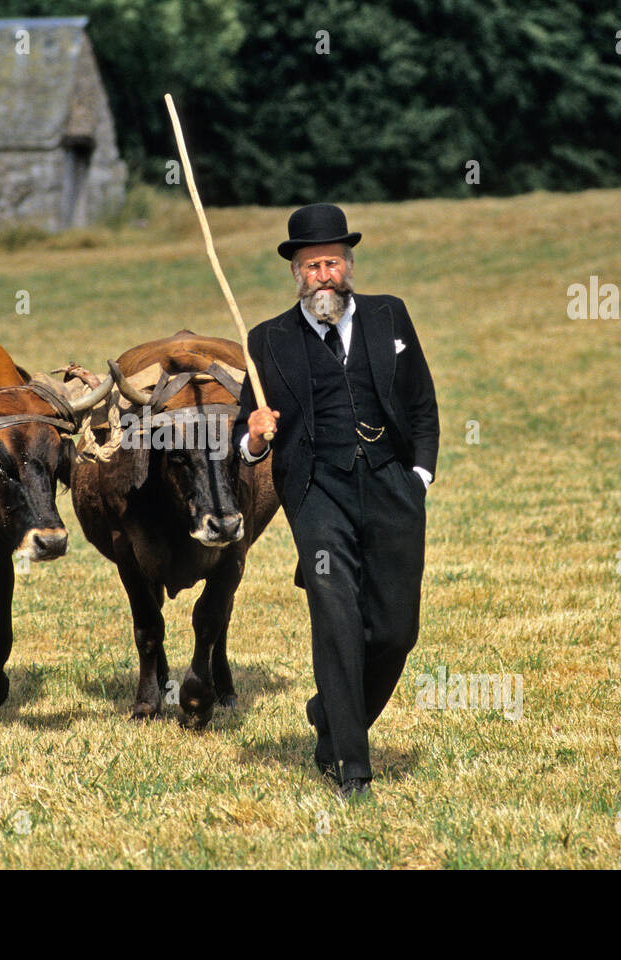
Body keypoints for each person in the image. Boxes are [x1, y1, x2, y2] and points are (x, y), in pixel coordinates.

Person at [231, 203, 439, 799]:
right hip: (317, 490)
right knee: (337, 616)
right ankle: (352, 764)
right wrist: (254, 434)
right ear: (295, 273)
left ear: (348, 266)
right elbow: (246, 440)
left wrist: (419, 476)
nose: (324, 275)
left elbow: (422, 403)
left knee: (396, 631)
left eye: (333, 262)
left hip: (393, 484)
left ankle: (330, 713)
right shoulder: (266, 342)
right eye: (311, 265)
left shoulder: (389, 317)